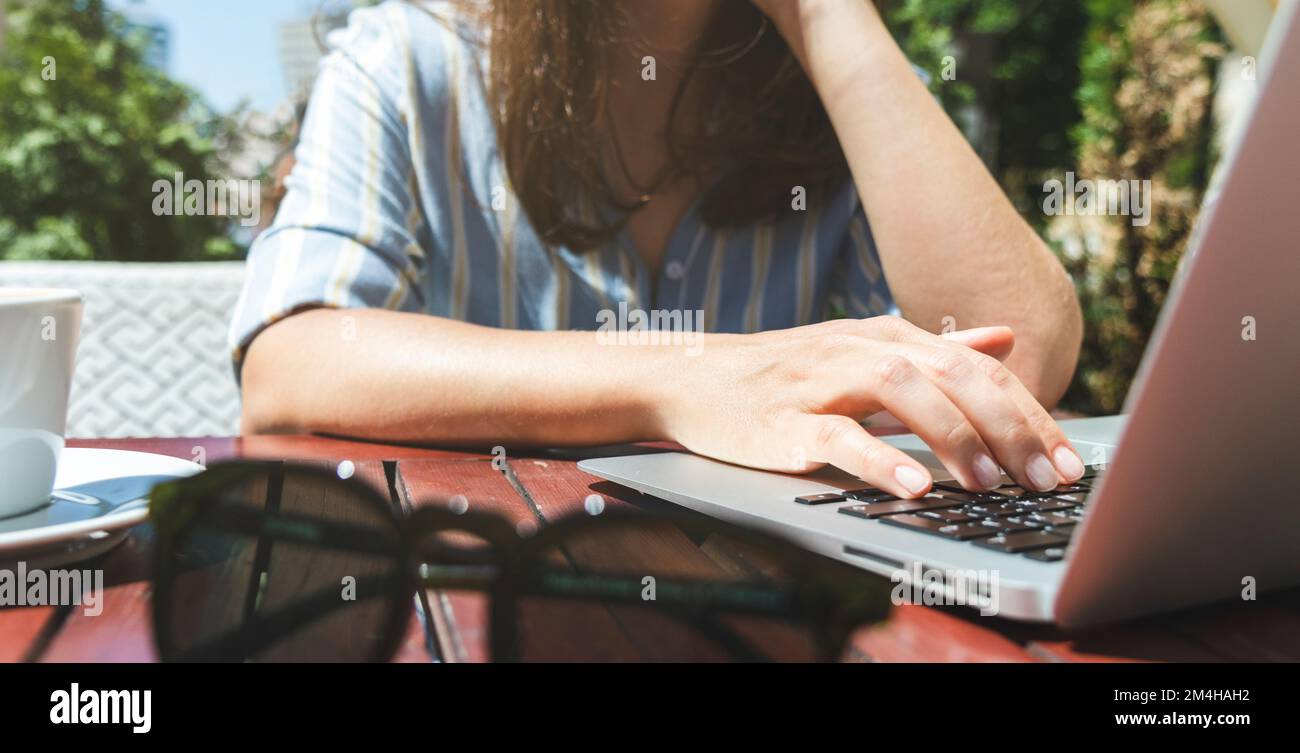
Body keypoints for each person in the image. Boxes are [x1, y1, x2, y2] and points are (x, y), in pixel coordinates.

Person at [230, 0, 1085, 499]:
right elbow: (291, 359)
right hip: (468, 596)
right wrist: (678, 376)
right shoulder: (407, 56)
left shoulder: (826, 89)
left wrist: (828, 14)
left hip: (762, 611)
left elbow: (1021, 360)